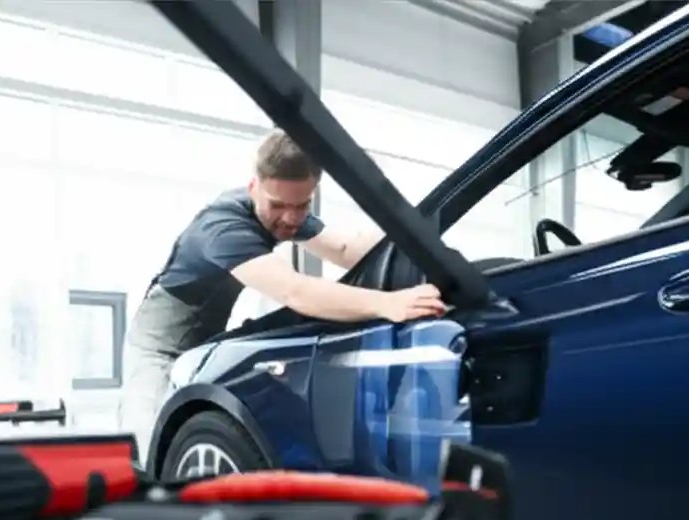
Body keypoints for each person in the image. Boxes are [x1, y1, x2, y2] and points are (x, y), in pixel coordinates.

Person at [119, 129, 447, 467]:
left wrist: (414, 240)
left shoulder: (285, 212)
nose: (290, 218)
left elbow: (347, 249)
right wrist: (388, 304)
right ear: (253, 188)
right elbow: (296, 291)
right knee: (149, 448)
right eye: (278, 205)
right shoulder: (222, 228)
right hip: (159, 342)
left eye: (301, 205)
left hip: (206, 338)